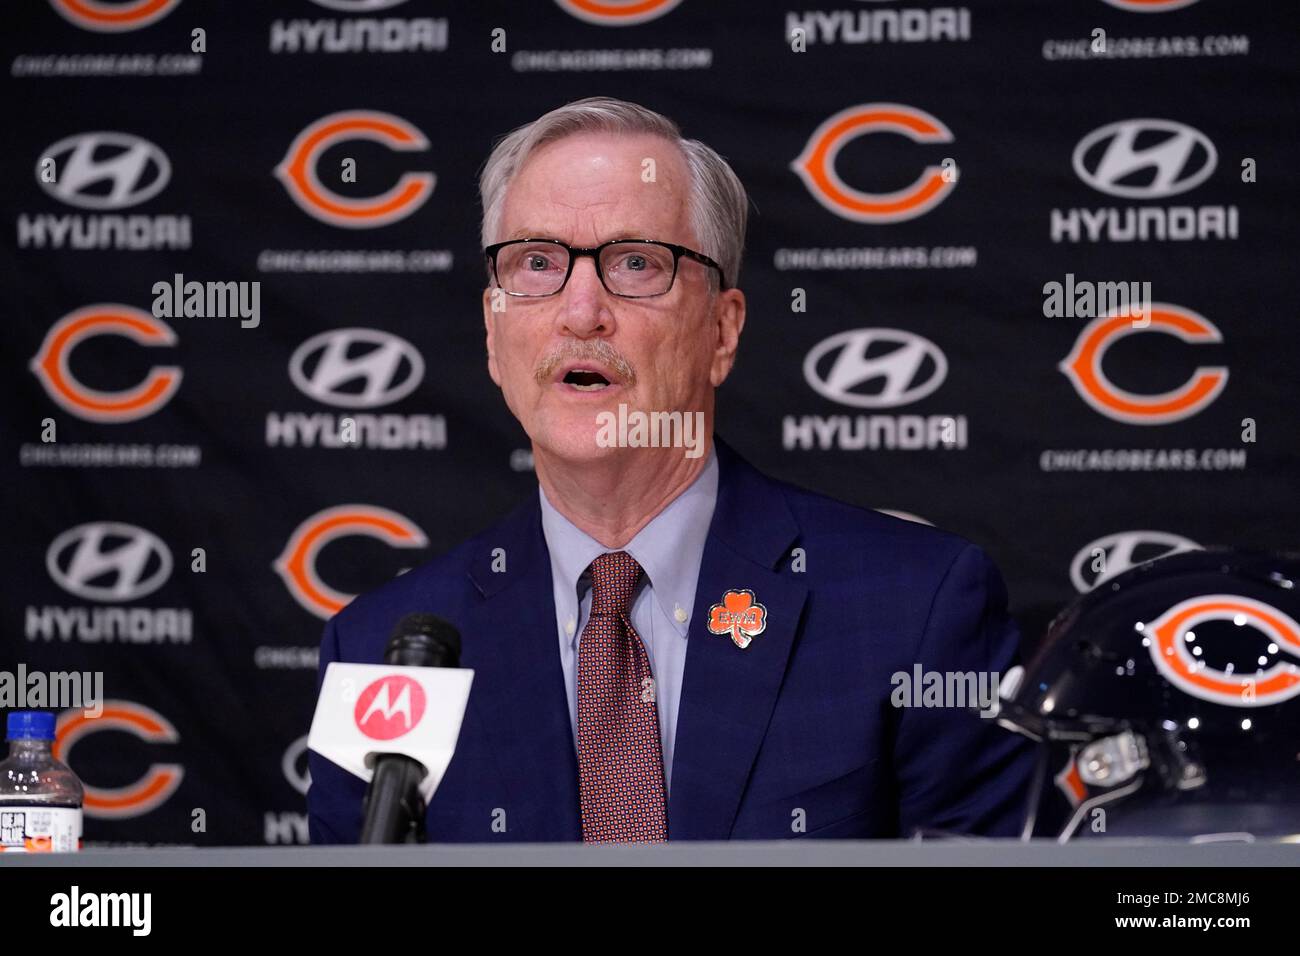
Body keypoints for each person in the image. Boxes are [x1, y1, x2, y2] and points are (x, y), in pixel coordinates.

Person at [308, 96, 1034, 843]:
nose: (580, 310)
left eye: (635, 263)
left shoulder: (916, 608)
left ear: (722, 330)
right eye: (536, 263)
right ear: (494, 333)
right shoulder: (376, 659)